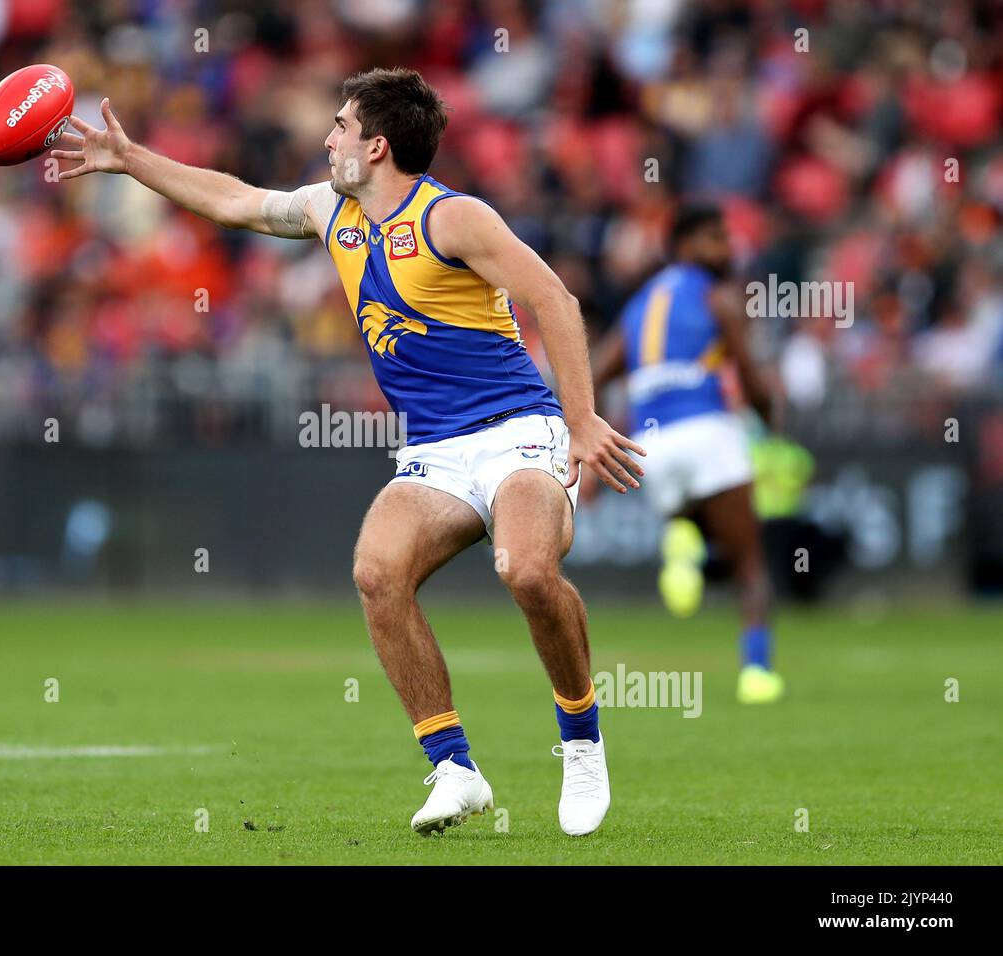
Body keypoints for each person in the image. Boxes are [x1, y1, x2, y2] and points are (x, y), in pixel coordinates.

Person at [54, 68, 645, 835]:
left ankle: (582, 743)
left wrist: (584, 419)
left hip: (519, 430)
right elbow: (235, 200)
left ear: (375, 144)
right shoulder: (333, 209)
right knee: (376, 572)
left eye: (339, 125)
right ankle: (454, 767)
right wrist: (135, 161)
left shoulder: (455, 218)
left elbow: (555, 302)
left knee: (527, 570)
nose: (326, 137)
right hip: (435, 448)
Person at [594, 205, 785, 704]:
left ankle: (683, 539)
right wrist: (772, 422)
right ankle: (757, 672)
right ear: (682, 246)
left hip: (652, 445)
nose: (727, 248)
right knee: (749, 563)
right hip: (708, 431)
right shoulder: (717, 297)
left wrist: (591, 444)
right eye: (714, 238)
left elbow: (594, 375)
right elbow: (750, 376)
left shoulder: (639, 307)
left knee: (705, 529)